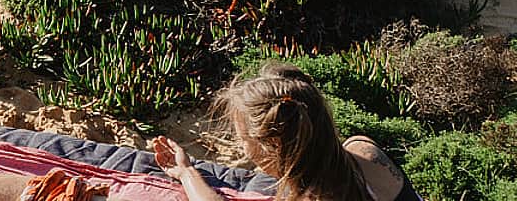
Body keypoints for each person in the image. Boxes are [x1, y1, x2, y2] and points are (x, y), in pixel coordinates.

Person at [153, 63, 423, 201]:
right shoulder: (363, 148)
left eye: (243, 138)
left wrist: (186, 172)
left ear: (273, 146)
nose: (241, 147)